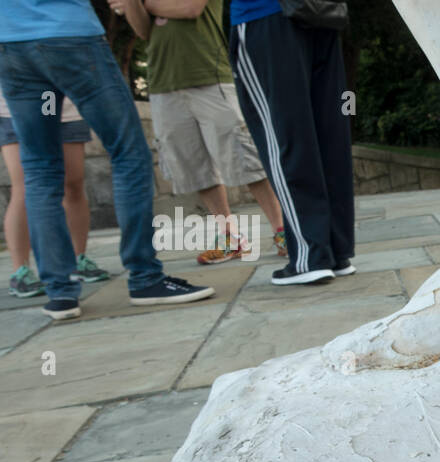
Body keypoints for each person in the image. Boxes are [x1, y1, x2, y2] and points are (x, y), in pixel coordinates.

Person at [0, 0, 213, 320]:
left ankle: (60, 294)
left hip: (12, 48)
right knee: (129, 153)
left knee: (41, 168)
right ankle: (145, 278)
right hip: (70, 39)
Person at [109, 0, 288, 265]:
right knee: (194, 166)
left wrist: (141, 4)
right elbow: (143, 31)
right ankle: (230, 237)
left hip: (210, 75)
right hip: (162, 83)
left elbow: (190, 8)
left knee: (244, 157)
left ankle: (282, 230)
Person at [227, 0, 355, 285]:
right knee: (329, 137)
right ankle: (336, 251)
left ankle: (310, 256)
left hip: (266, 16)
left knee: (284, 136)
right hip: (320, 13)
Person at [2, 90, 111, 297]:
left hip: (65, 108)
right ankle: (21, 271)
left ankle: (77, 260)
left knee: (73, 183)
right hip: (15, 107)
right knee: (24, 187)